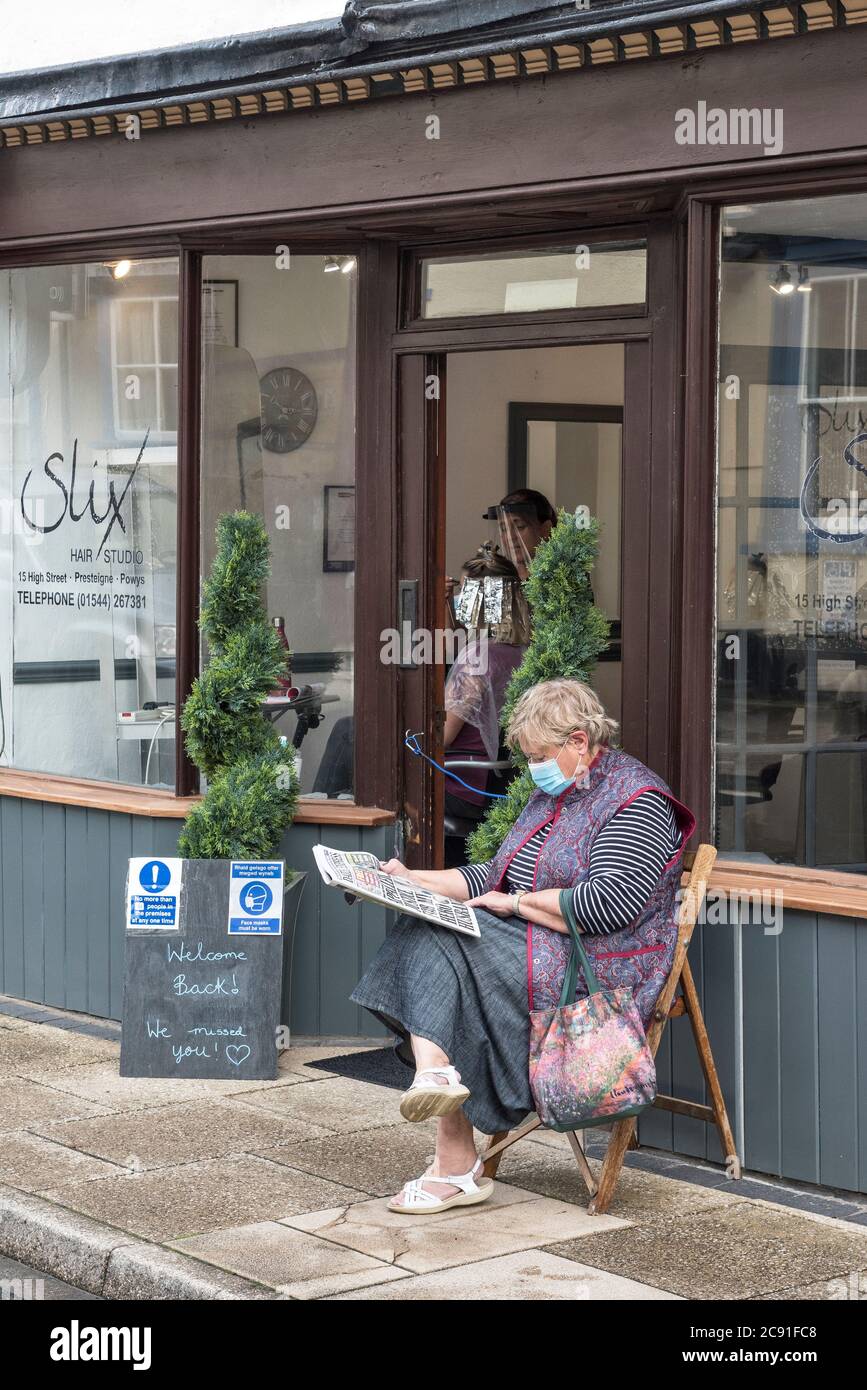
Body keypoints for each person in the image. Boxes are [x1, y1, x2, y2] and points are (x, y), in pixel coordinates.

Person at [349, 677, 696, 1215]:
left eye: (539, 755)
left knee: (448, 948)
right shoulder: (556, 790)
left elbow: (609, 906)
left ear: (579, 742)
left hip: (599, 970)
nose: (533, 766)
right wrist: (411, 880)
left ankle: (453, 1149)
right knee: (427, 930)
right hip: (541, 946)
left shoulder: (638, 801)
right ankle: (438, 1082)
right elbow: (497, 873)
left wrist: (512, 906)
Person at [444, 544, 528, 829]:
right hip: (497, 781)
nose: (458, 598)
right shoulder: (519, 651)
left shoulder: (478, 657)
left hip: (464, 784)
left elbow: (442, 734)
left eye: (464, 591)